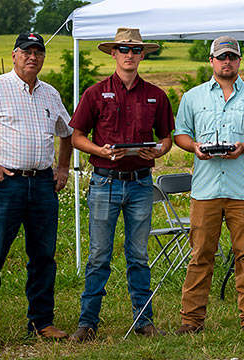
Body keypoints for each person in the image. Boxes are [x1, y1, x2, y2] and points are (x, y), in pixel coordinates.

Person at [0, 33, 74, 347]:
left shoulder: (51, 94)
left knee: (43, 257)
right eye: (26, 51)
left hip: (43, 184)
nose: (32, 57)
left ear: (43, 58)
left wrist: (62, 168)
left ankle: (41, 322)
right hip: (5, 184)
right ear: (14, 55)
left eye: (38, 52)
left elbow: (68, 133)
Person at [68, 28, 175, 342]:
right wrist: (99, 151)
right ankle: (87, 324)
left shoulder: (156, 94)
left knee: (138, 255)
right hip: (104, 182)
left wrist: (157, 150)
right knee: (99, 255)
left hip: (141, 183)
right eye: (124, 49)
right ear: (113, 53)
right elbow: (77, 137)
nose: (130, 55)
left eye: (136, 50)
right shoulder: (95, 93)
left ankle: (144, 321)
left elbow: (167, 138)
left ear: (143, 55)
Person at [173, 36, 244, 337]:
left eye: (232, 57)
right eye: (221, 57)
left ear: (239, 61)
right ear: (211, 61)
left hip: (243, 190)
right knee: (200, 254)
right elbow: (180, 133)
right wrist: (194, 146)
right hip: (205, 190)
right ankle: (191, 320)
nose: (227, 62)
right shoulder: (192, 98)